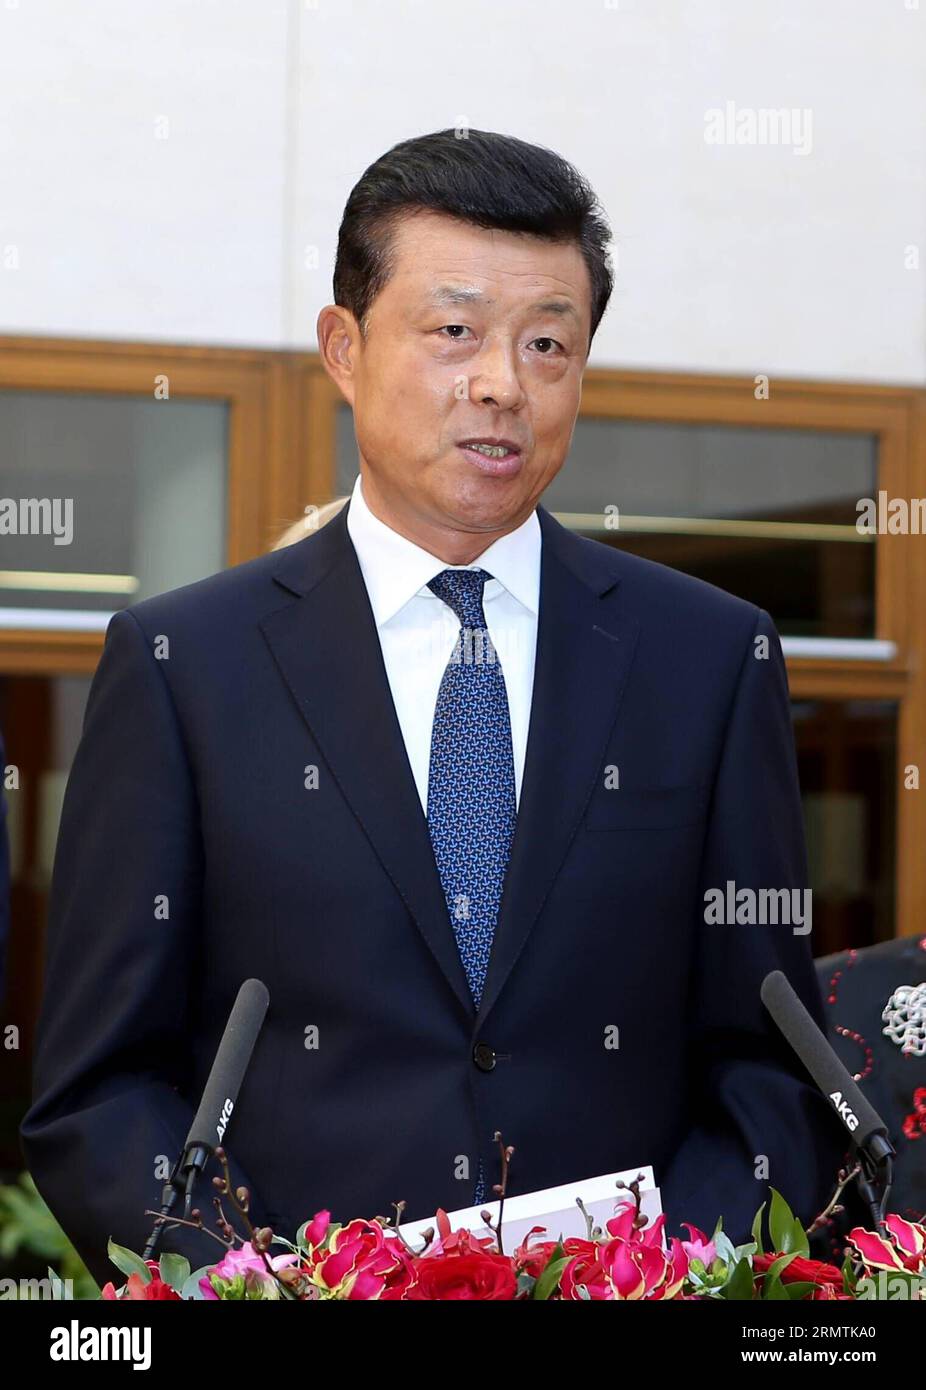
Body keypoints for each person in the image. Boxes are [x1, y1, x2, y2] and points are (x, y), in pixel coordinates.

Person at [21, 128, 845, 1288]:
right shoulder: (181, 664)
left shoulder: (707, 659)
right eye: (453, 329)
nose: (501, 382)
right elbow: (100, 1088)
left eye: (547, 342)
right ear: (343, 348)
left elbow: (770, 1065)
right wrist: (246, 1282)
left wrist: (671, 1276)